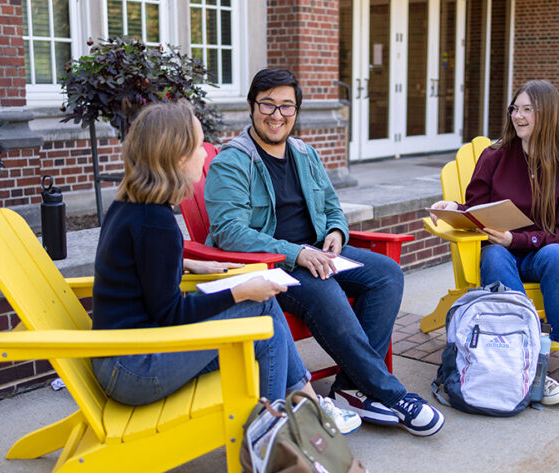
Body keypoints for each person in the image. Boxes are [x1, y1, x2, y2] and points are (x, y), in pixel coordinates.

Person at [90, 101, 361, 434]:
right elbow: (171, 314)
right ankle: (285, 426)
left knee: (265, 323)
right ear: (177, 157)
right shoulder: (156, 223)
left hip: (124, 357)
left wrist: (192, 264)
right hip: (136, 371)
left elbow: (137, 268)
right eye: (198, 147)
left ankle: (298, 414)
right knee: (260, 305)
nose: (206, 155)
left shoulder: (130, 205)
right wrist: (239, 291)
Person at [204, 68, 444, 436]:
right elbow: (228, 232)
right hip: (274, 266)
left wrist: (336, 231)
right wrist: (296, 253)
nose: (277, 115)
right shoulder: (231, 162)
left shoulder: (305, 154)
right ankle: (390, 394)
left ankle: (350, 386)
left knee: (386, 274)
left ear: (296, 112)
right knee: (325, 288)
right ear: (252, 107)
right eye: (267, 104)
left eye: (287, 106)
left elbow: (333, 206)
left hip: (321, 254)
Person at [430, 79, 559, 405]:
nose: (518, 116)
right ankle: (527, 357)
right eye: (515, 109)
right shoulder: (495, 157)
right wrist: (455, 209)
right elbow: (476, 209)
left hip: (540, 255)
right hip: (501, 255)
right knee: (492, 257)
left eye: (527, 110)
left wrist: (515, 238)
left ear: (545, 114)